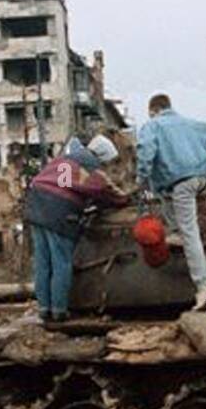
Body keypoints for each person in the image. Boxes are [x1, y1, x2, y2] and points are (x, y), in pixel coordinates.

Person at [23, 133, 129, 322]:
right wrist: (124, 199)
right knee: (61, 261)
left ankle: (44, 309)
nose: (105, 167)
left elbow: (65, 184)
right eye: (106, 163)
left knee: (42, 261)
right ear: (102, 156)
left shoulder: (66, 158)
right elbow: (107, 192)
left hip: (36, 203)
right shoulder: (91, 166)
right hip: (58, 211)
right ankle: (59, 311)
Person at [136, 93, 206, 310]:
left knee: (189, 231)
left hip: (182, 183)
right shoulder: (189, 123)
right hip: (202, 178)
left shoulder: (152, 125)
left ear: (153, 111)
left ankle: (204, 286)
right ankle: (174, 232)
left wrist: (141, 179)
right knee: (165, 193)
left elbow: (146, 153)